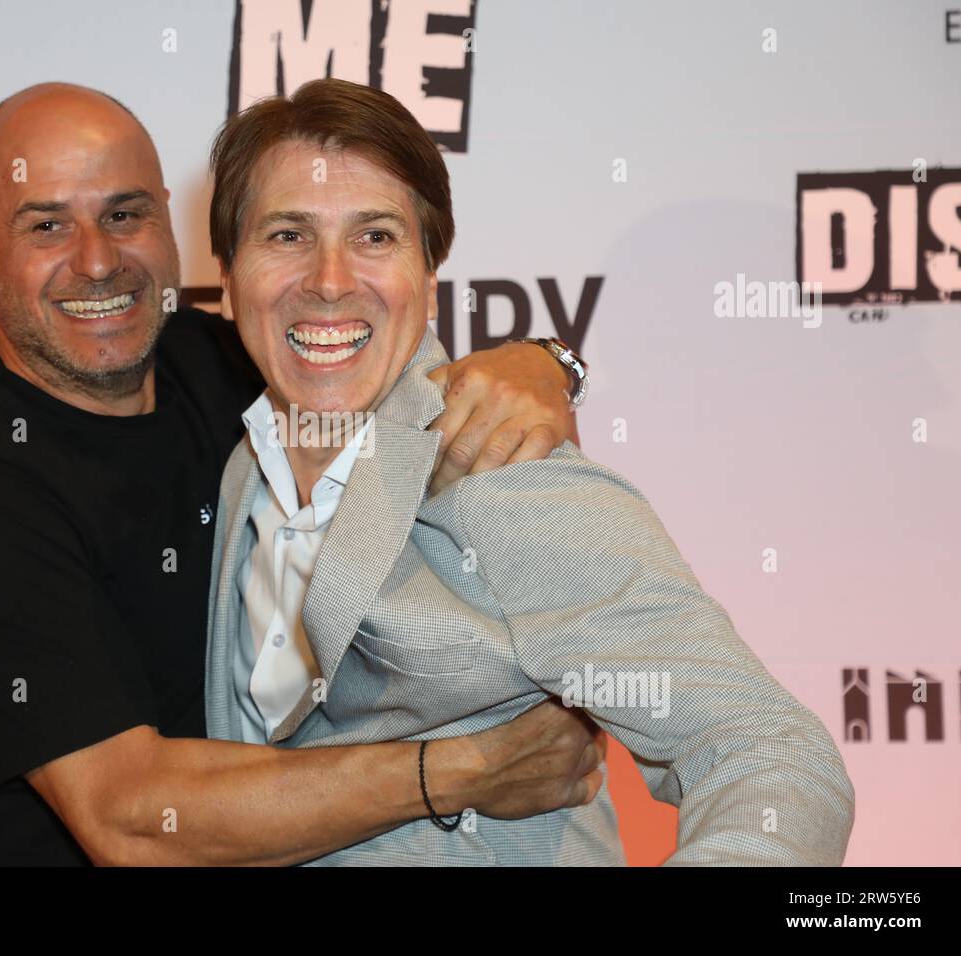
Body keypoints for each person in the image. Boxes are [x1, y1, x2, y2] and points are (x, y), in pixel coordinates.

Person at [0, 82, 600, 866]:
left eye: (124, 215)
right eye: (47, 225)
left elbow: (420, 397)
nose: (96, 259)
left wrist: (544, 366)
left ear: (169, 226)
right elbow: (132, 818)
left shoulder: (219, 360)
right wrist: (473, 769)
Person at [201, 78, 856, 865]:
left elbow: (768, 751)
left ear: (429, 274)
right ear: (229, 271)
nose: (331, 279)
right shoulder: (243, 460)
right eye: (287, 235)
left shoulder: (504, 470)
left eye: (375, 236)